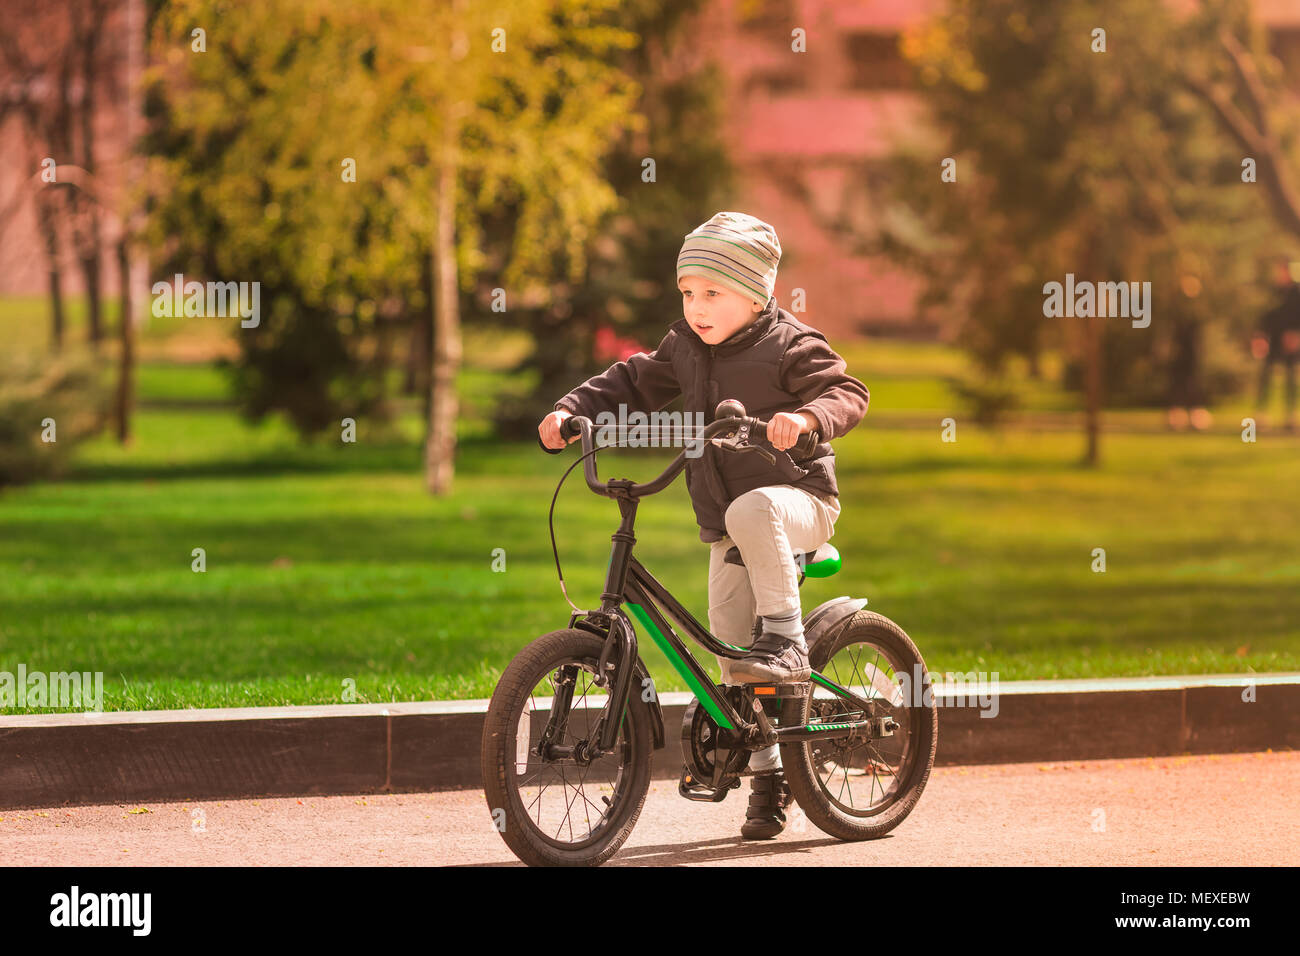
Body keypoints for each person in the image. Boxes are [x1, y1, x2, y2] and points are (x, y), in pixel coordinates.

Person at [538, 211, 869, 839]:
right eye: (688, 292)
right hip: (730, 525)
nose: (696, 306)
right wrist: (572, 410)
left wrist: (805, 421)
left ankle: (789, 638)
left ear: (755, 292)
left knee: (755, 514)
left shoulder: (791, 344)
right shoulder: (685, 348)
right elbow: (633, 379)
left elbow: (847, 391)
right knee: (729, 646)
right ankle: (770, 780)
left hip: (800, 500)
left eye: (713, 292)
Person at [1253, 257, 1300, 432]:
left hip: (1291, 340)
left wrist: (1296, 334)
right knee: (1266, 376)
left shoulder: (1296, 292)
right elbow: (1265, 316)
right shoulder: (1273, 293)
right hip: (1273, 339)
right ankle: (1261, 413)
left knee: (1290, 378)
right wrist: (1260, 336)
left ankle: (1291, 415)